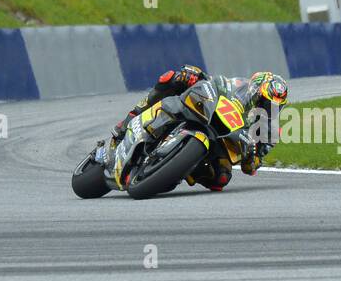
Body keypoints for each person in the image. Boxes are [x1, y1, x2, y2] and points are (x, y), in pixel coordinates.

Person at [109, 66, 289, 191]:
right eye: (265, 102)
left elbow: (251, 168)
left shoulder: (269, 133)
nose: (267, 108)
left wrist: (252, 153)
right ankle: (130, 120)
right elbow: (215, 82)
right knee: (172, 78)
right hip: (207, 112)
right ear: (255, 89)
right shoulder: (236, 87)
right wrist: (195, 75)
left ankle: (176, 170)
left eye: (274, 106)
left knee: (221, 179)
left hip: (223, 141)